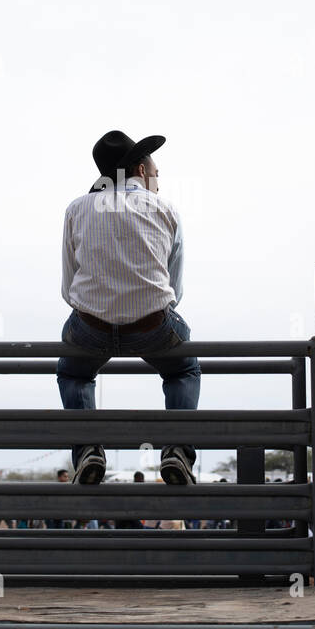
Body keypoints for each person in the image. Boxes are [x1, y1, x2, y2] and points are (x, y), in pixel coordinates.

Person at [57, 130, 201, 485]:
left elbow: (68, 284)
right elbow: (174, 286)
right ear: (140, 168)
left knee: (74, 374)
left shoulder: (77, 208)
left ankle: (88, 450)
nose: (157, 180)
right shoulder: (166, 209)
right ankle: (177, 452)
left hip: (90, 326)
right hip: (153, 324)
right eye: (156, 173)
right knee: (182, 370)